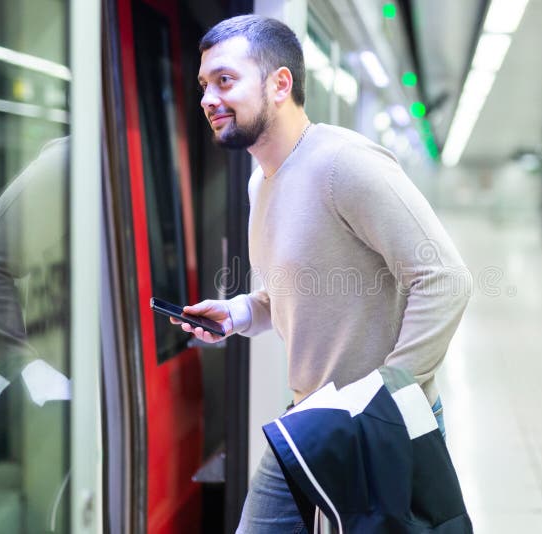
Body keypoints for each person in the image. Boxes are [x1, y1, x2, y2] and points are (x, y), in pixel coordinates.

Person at [182, 14, 470, 533]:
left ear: (280, 83)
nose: (207, 98)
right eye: (204, 84)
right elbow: (286, 289)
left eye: (225, 80)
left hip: (379, 427)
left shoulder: (344, 163)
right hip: (311, 417)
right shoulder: (260, 182)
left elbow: (445, 279)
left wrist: (386, 397)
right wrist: (237, 311)